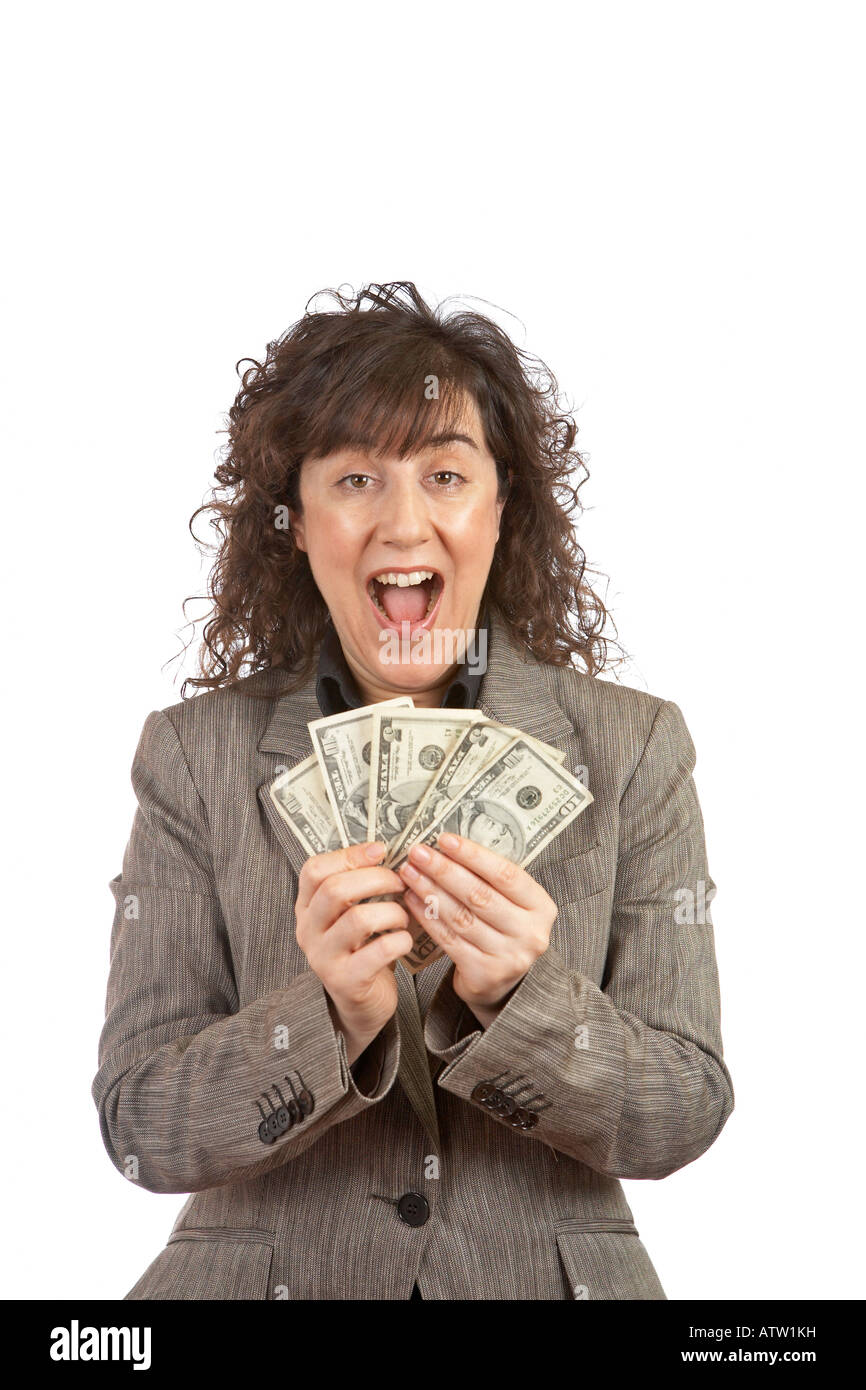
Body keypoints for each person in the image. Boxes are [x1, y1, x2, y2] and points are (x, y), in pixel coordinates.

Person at [92, 281, 734, 1300]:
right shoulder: (192, 755)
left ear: (499, 506)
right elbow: (139, 1125)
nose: (403, 523)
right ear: (294, 522)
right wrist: (327, 1021)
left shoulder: (632, 746)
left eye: (443, 473)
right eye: (353, 478)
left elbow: (682, 1109)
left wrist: (523, 1002)